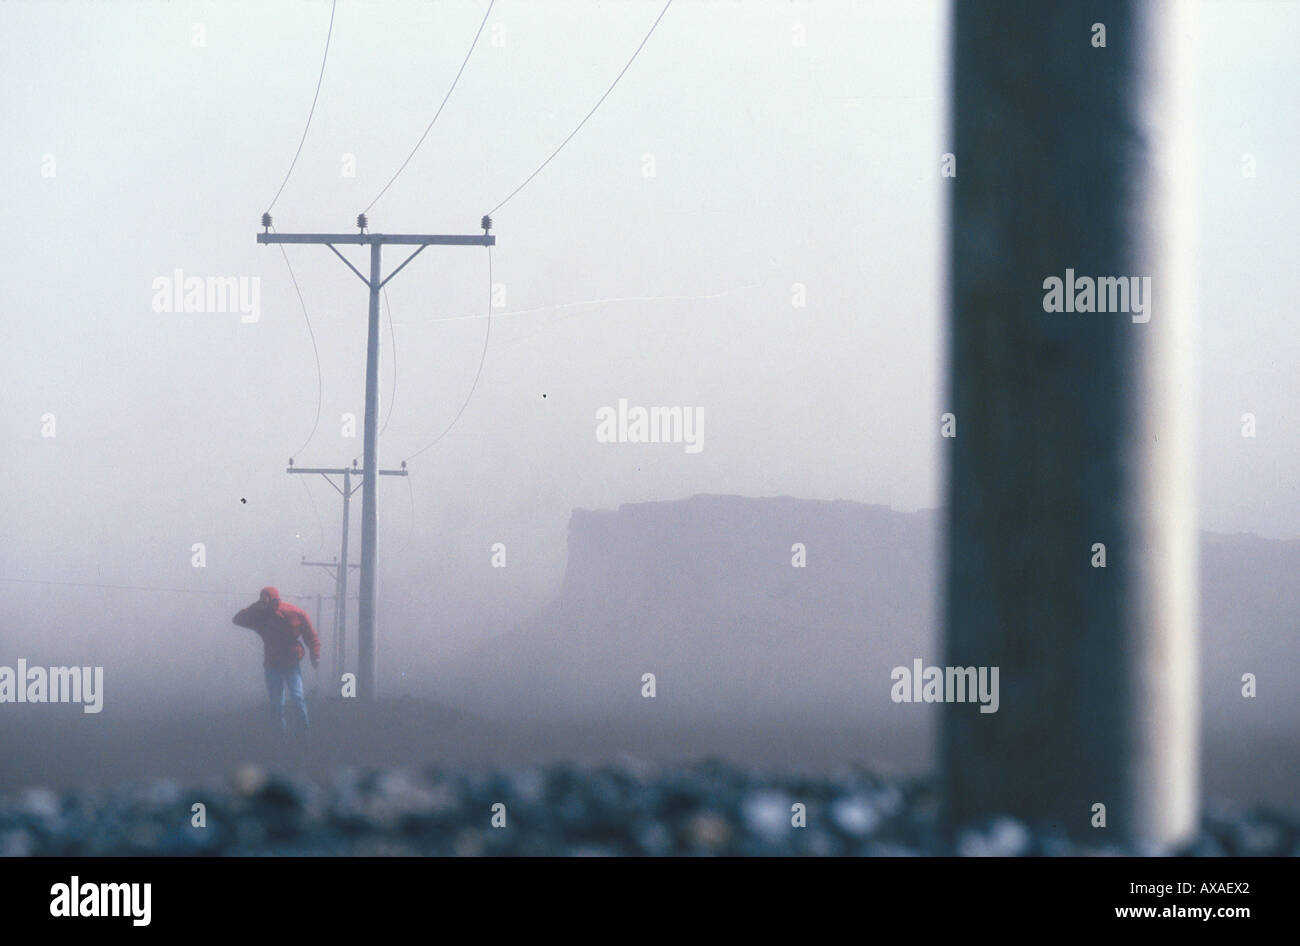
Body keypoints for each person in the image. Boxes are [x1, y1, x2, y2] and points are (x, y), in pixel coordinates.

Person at [232, 586, 321, 737]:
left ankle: (304, 732)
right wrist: (255, 607)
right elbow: (238, 620)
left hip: (290, 662)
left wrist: (315, 654)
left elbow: (311, 635)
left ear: (275, 600)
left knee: (297, 697)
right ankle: (280, 736)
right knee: (277, 703)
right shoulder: (259, 615)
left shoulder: (293, 613)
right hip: (273, 664)